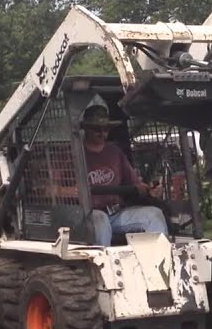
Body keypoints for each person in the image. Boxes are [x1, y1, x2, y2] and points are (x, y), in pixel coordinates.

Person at [50, 100, 167, 246]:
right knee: (100, 220)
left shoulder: (115, 152)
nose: (102, 133)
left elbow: (136, 184)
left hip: (116, 213)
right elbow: (48, 190)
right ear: (86, 129)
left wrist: (151, 191)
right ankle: (103, 266)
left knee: (154, 215)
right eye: (97, 129)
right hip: (85, 215)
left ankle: (161, 263)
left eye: (106, 129)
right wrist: (69, 191)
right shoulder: (69, 154)